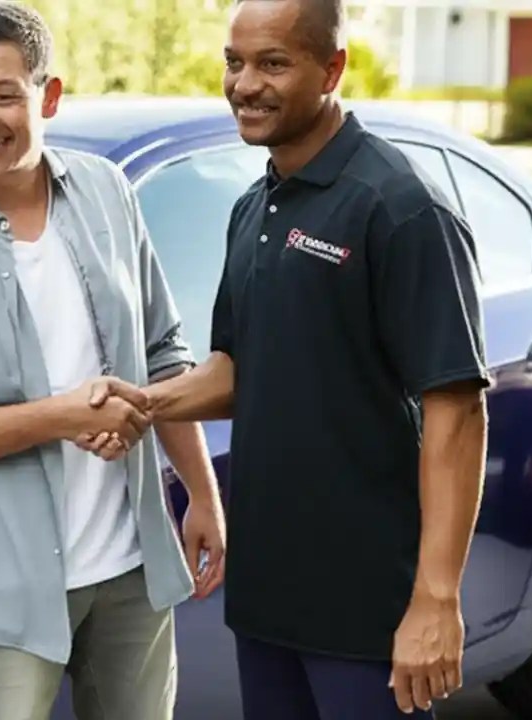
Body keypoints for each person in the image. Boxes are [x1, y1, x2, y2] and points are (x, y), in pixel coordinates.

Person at [91, 0, 491, 717]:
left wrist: (436, 598)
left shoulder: (398, 206)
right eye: (235, 62)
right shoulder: (254, 208)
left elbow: (457, 410)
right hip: (268, 597)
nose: (245, 84)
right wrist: (147, 405)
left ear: (332, 67)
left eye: (273, 63)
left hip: (369, 604)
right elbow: (240, 367)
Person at [0, 2, 228, 718]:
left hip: (132, 567)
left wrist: (202, 494)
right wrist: (58, 418)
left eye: (3, 95)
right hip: (4, 595)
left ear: (48, 96)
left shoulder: (106, 194)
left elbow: (162, 356)